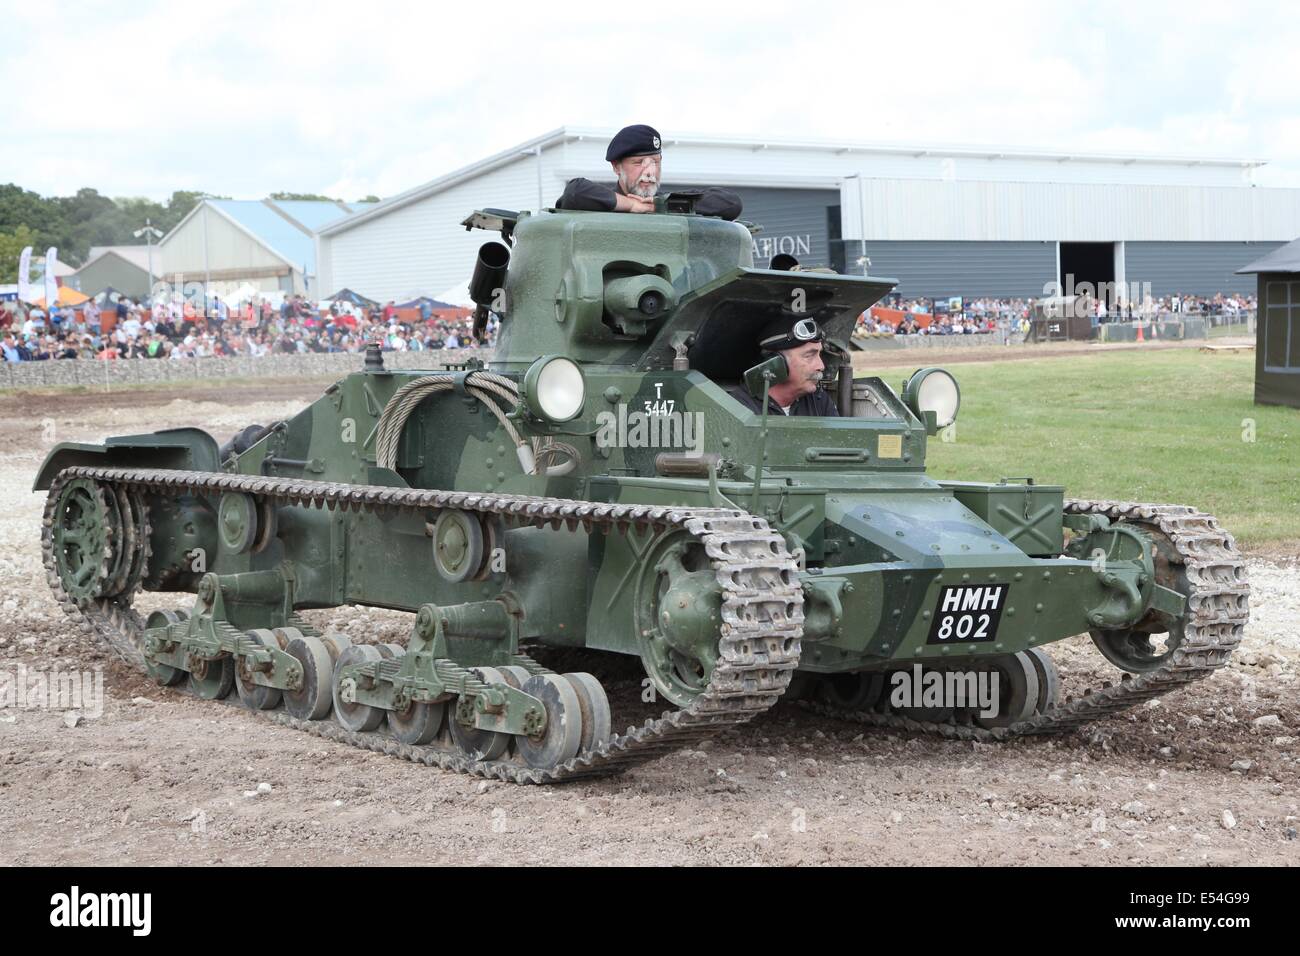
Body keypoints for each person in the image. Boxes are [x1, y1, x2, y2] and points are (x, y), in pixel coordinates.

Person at [555, 124, 742, 221]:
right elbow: (574, 192)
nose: (649, 172)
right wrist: (631, 205)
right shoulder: (601, 202)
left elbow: (731, 203)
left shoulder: (666, 203)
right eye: (638, 163)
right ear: (616, 166)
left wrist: (658, 207)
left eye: (655, 162)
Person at [727, 314, 839, 416]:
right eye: (809, 356)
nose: (821, 366)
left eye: (819, 355)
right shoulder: (738, 409)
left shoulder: (819, 401)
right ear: (775, 363)